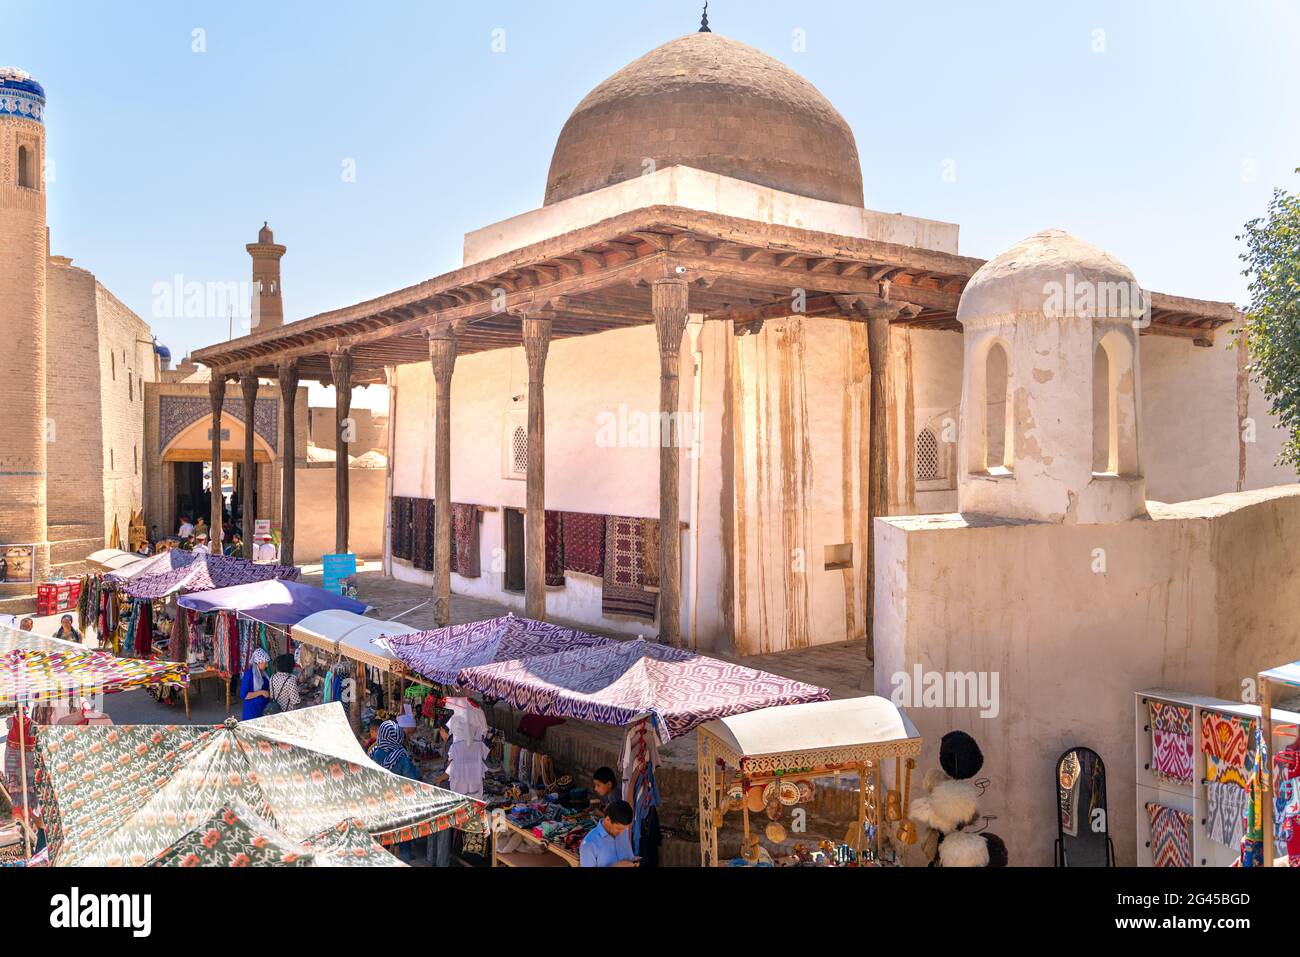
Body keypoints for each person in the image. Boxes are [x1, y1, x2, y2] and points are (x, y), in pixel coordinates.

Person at [579, 800, 639, 867]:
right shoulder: (589, 844)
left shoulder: (624, 832)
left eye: (625, 829)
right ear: (608, 819)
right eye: (619, 829)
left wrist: (633, 861)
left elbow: (629, 857)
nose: (622, 832)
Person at [239, 648, 272, 720]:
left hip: (262, 708)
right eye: (265, 663)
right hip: (252, 711)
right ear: (259, 662)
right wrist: (261, 692)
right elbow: (243, 695)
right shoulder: (249, 675)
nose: (266, 665)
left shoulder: (263, 673)